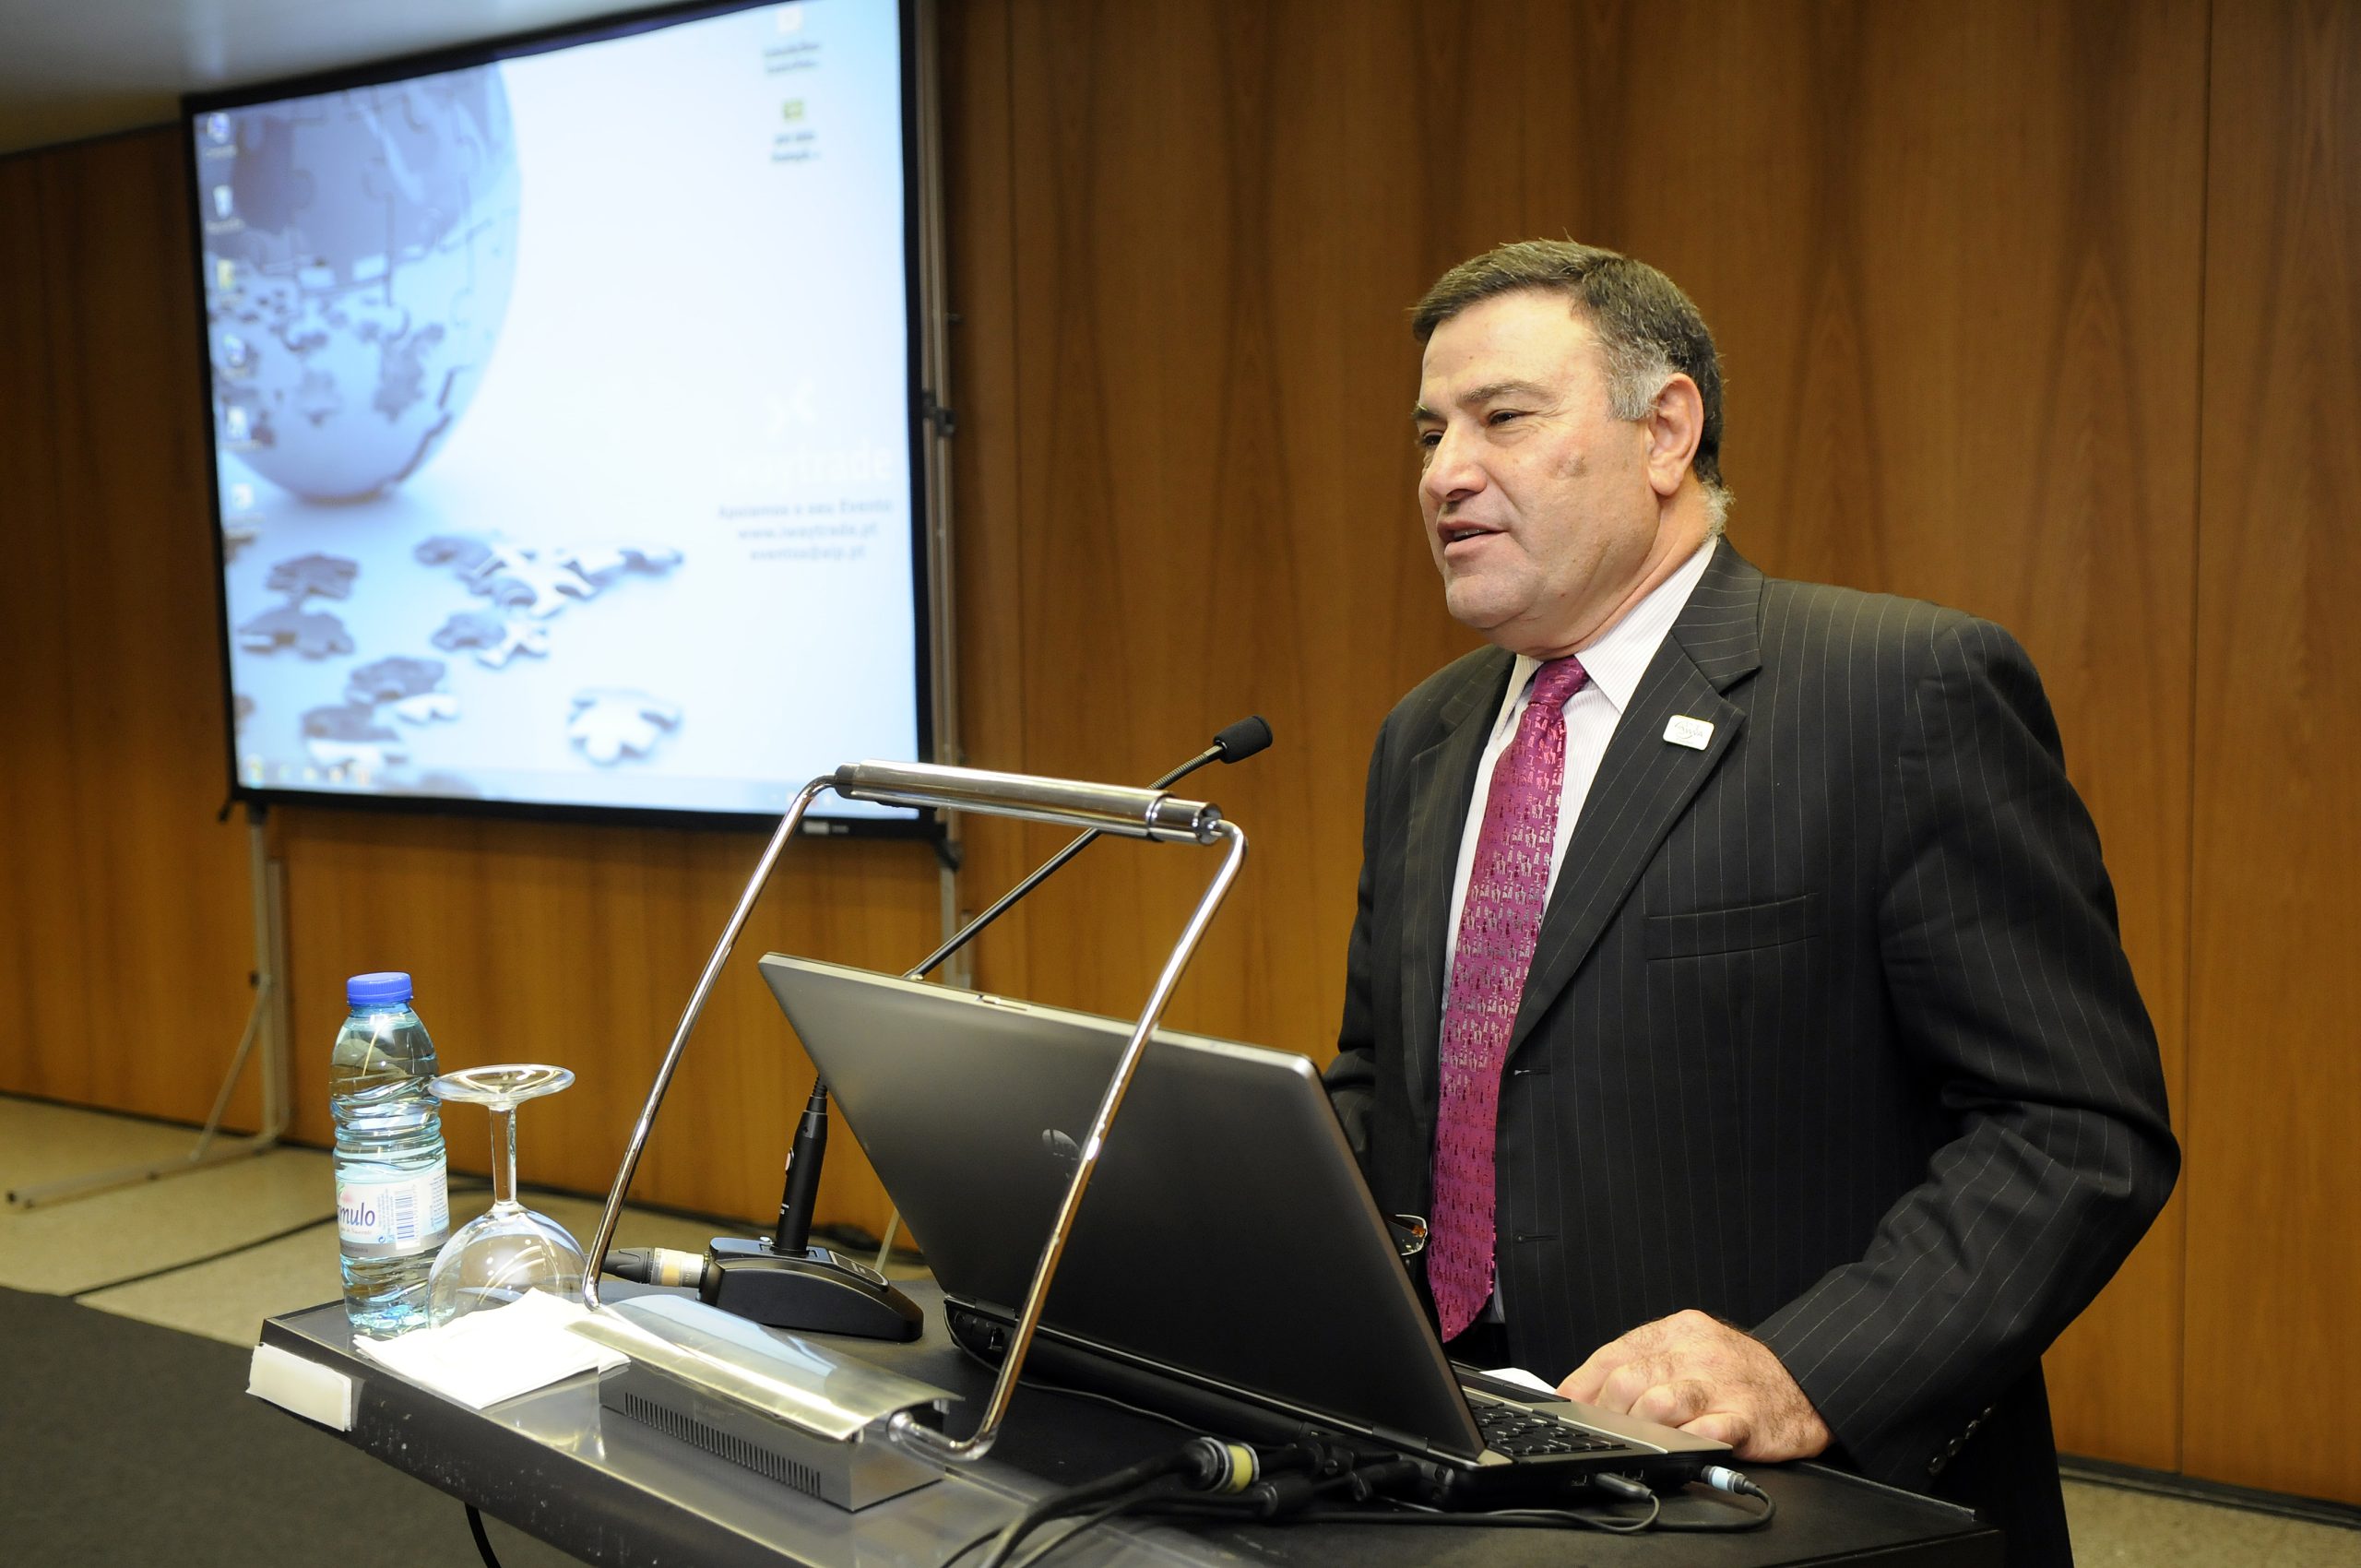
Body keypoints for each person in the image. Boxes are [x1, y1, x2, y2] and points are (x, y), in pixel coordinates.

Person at [1324, 240, 2177, 1567]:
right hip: (1468, 1475)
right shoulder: (1425, 739)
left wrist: (1806, 1370)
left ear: (1666, 430)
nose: (1444, 473)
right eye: (1430, 432)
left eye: (1502, 419)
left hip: (1782, 1508)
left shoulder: (1897, 693)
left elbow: (2075, 1128)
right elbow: (1397, 1089)